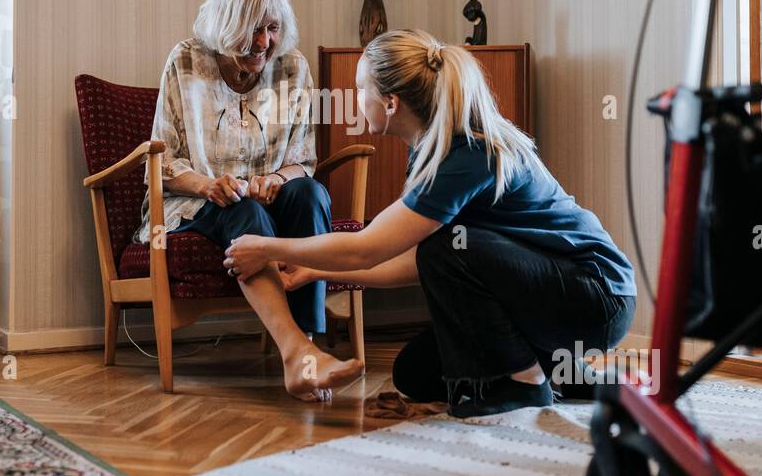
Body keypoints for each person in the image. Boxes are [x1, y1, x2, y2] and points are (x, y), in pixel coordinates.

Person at [224, 29, 636, 417]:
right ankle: (567, 374)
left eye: (361, 88)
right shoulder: (431, 147)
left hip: (597, 298)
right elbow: (417, 262)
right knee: (415, 373)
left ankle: (526, 385)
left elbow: (369, 247)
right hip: (555, 295)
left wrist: (268, 246)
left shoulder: (463, 153)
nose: (355, 98)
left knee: (446, 249)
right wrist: (315, 269)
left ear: (391, 103)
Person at [137, 0, 364, 401]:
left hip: (268, 199)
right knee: (245, 209)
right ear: (225, 27)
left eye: (272, 28)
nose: (263, 43)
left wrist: (276, 178)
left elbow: (304, 161)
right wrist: (208, 185)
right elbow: (162, 162)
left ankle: (308, 350)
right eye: (251, 30)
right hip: (194, 205)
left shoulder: (292, 67)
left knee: (309, 192)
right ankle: (297, 354)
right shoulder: (185, 61)